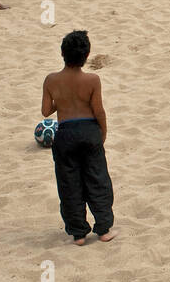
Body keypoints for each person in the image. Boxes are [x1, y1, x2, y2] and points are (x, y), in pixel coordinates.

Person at [42, 30, 115, 245]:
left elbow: (46, 111)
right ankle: (103, 230)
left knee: (69, 183)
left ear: (62, 54)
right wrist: (103, 132)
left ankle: (79, 233)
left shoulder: (51, 80)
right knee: (97, 179)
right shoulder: (92, 80)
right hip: (89, 131)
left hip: (65, 134)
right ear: (86, 55)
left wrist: (62, 100)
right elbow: (98, 110)